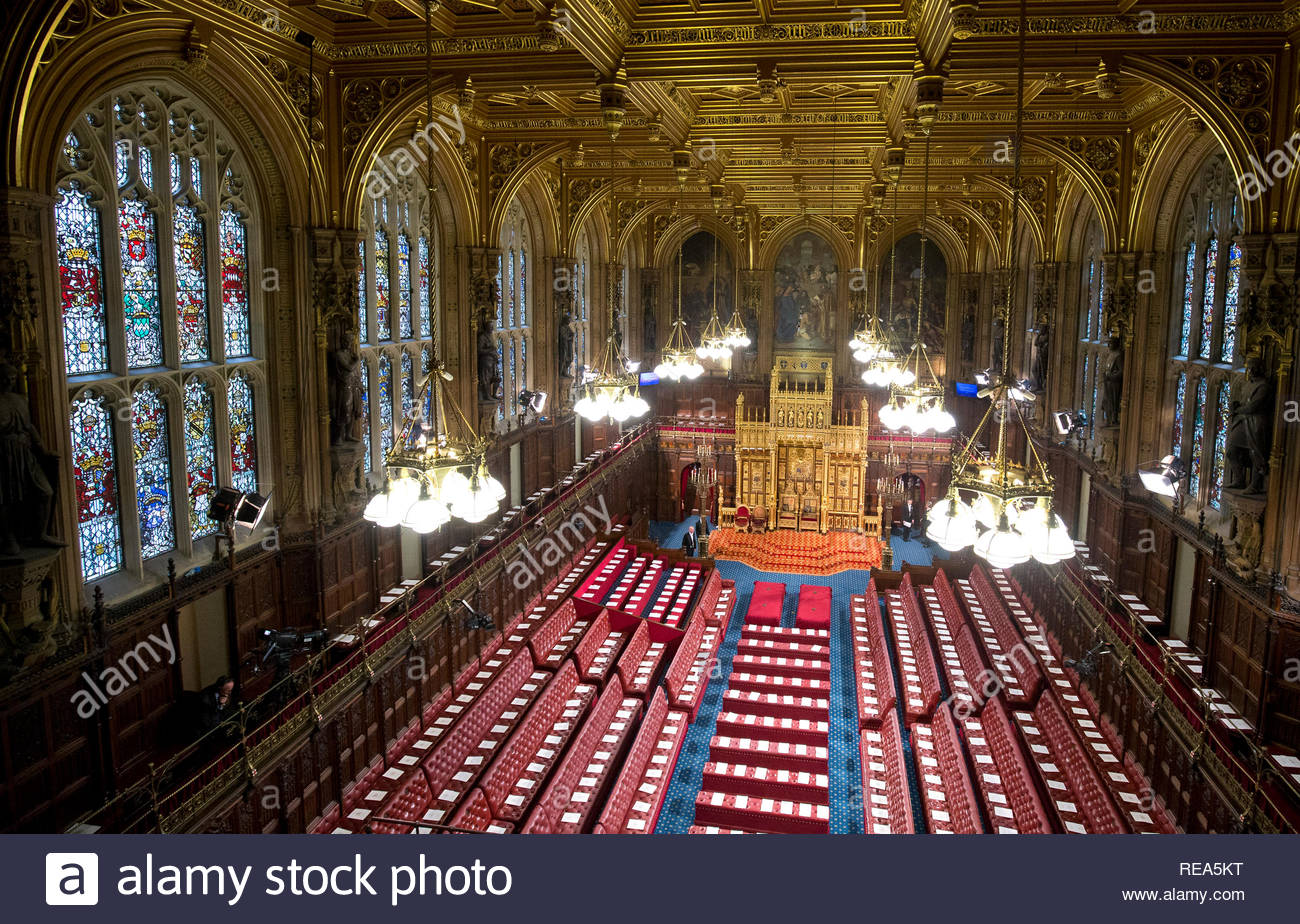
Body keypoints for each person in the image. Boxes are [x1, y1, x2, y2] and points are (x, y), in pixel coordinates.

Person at [0, 361, 60, 556]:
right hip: (4, 454)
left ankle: (40, 533)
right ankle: (10, 538)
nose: (9, 381)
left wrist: (43, 449)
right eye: (6, 378)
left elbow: (30, 426)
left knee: (46, 491)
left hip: (24, 452)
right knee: (7, 497)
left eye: (12, 378)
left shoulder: (19, 400)